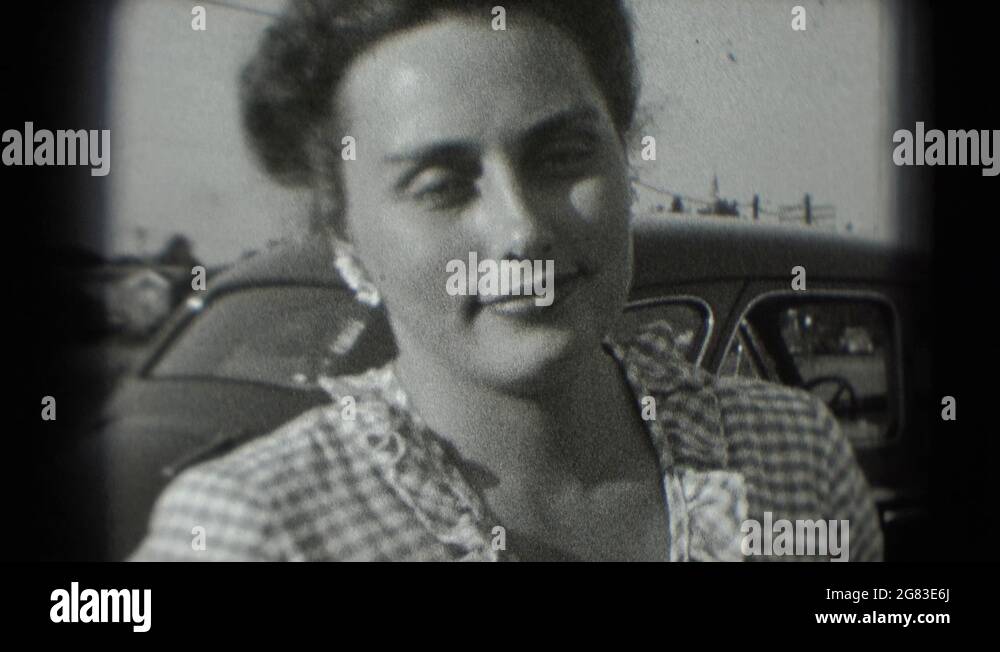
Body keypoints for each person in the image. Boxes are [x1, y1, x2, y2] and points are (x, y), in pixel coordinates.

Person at [131, 0, 882, 562]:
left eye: (562, 155)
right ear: (348, 244)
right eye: (441, 183)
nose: (521, 228)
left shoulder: (793, 452)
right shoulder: (256, 528)